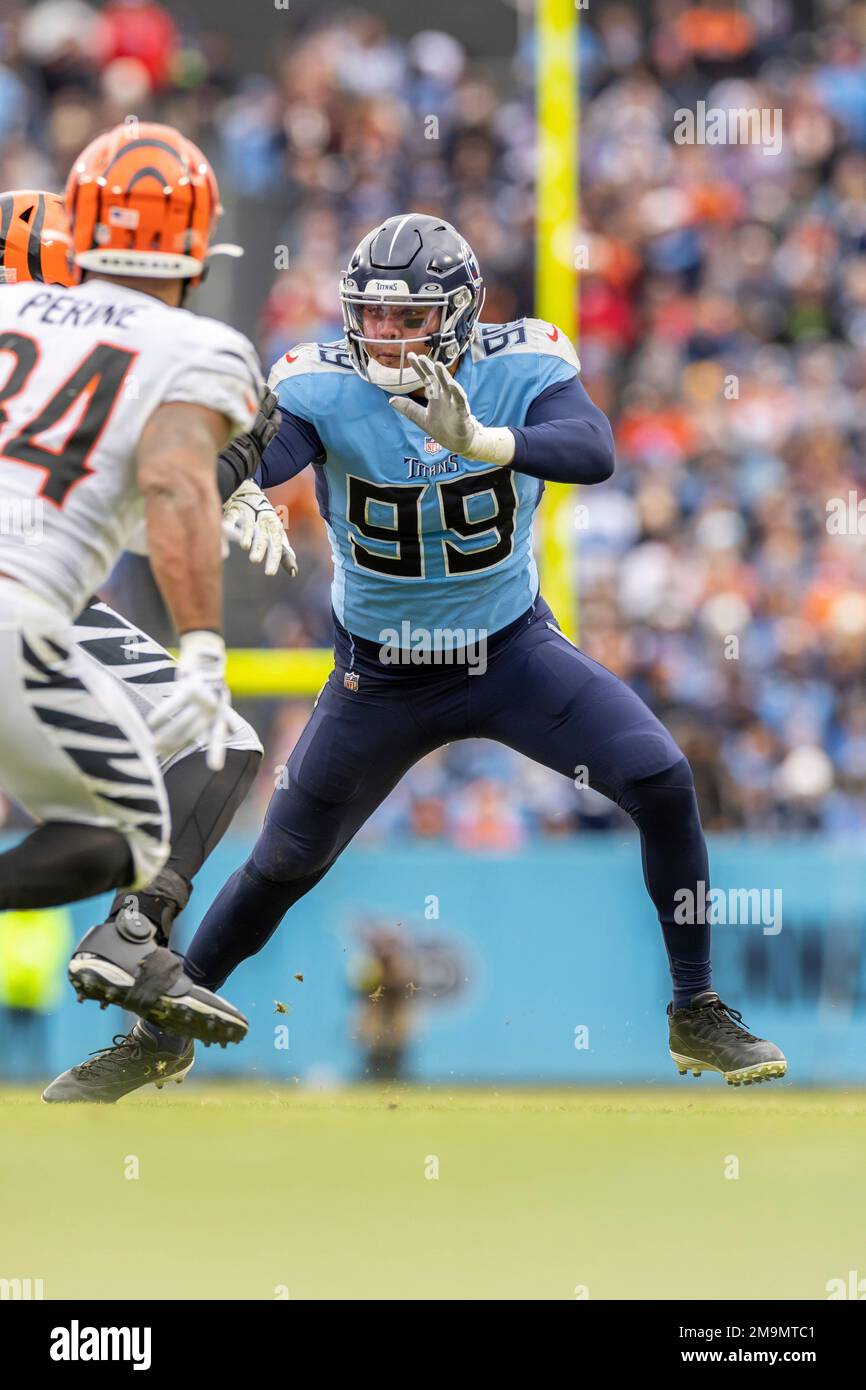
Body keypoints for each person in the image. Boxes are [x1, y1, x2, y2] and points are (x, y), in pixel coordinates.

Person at [51, 212, 786, 1100]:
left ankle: (695, 1008)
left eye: (408, 318)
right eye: (372, 314)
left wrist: (479, 442)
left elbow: (592, 450)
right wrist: (234, 478)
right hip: (381, 678)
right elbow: (262, 449)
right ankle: (156, 1035)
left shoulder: (523, 363)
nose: (385, 334)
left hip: (511, 652)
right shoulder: (320, 382)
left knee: (662, 779)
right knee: (282, 864)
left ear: (463, 314)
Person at [0, 129, 283, 1054]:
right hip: (23, 600)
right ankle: (130, 940)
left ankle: (131, 941)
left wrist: (225, 473)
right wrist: (227, 474)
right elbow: (162, 476)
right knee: (209, 738)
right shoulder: (181, 343)